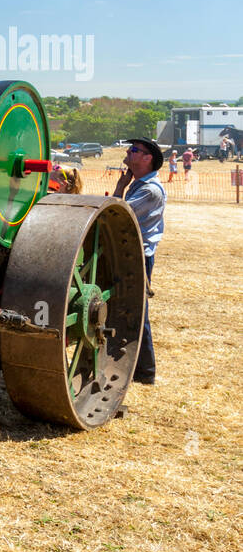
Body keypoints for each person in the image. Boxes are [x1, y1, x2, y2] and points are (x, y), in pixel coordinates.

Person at [113, 137, 165, 386]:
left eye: (134, 150)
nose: (128, 151)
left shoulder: (149, 190)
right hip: (128, 251)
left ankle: (145, 371)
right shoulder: (137, 184)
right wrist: (122, 186)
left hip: (138, 256)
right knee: (125, 309)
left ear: (147, 159)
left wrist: (120, 190)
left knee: (136, 312)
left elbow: (117, 213)